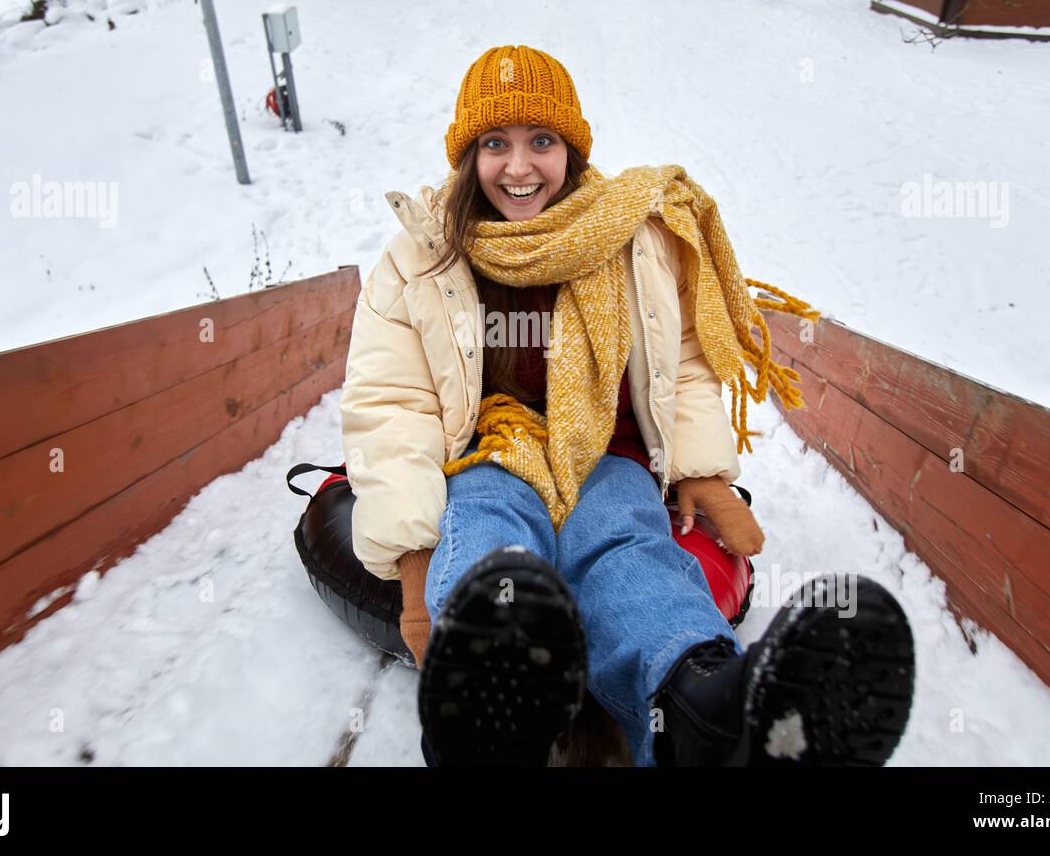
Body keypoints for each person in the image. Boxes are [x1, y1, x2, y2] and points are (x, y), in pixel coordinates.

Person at [340, 45, 915, 767]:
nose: (519, 168)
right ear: (467, 157)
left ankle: (703, 712)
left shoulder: (631, 236)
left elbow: (690, 361)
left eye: (541, 142)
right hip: (490, 448)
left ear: (572, 150)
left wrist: (701, 470)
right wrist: (417, 560)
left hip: (603, 450)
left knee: (625, 543)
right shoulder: (421, 259)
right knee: (488, 528)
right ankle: (488, 710)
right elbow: (389, 403)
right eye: (496, 145)